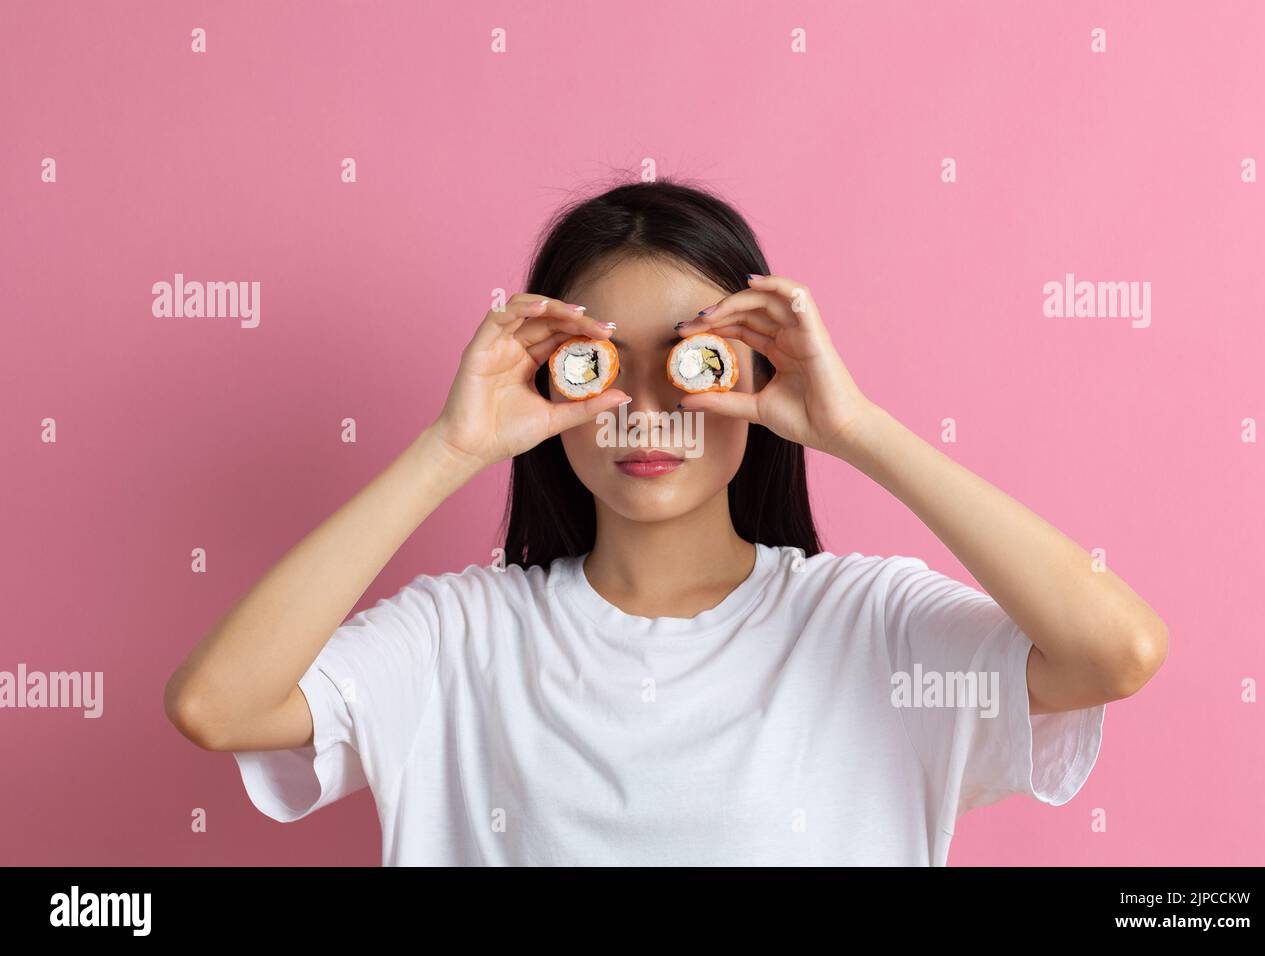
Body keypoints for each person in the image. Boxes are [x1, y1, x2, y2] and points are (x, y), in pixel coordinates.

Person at [163, 178, 1167, 865]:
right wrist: (452, 449)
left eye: (693, 359)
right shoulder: (457, 639)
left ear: (757, 377)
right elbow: (219, 703)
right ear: (549, 380)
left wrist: (852, 425)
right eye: (600, 365)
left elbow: (1114, 648)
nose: (647, 407)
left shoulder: (868, 625)